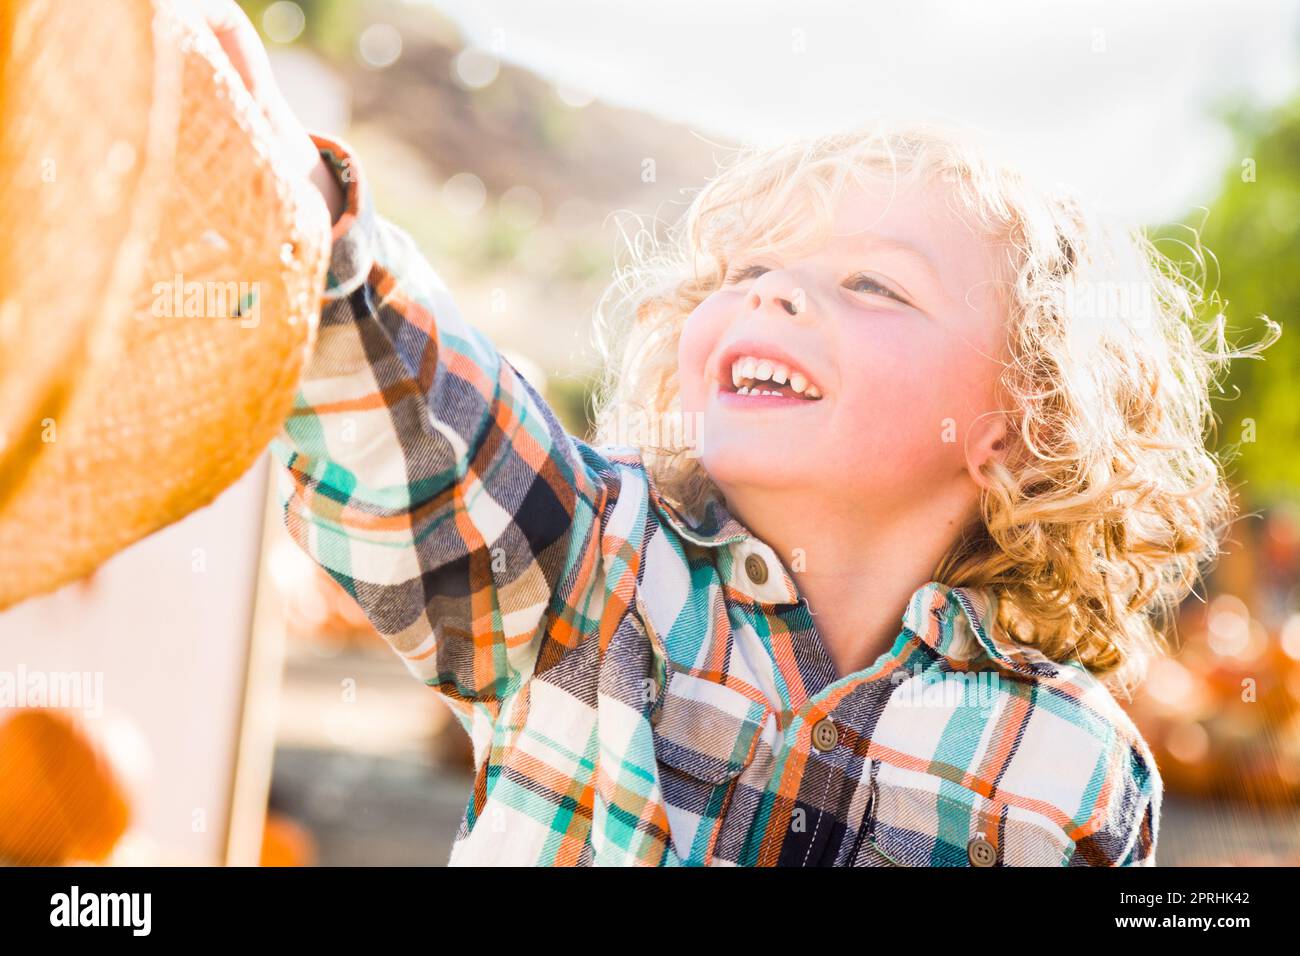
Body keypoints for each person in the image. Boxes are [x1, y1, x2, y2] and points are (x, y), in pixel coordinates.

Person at [199, 0, 1244, 865]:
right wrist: (299, 206)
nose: (774, 296)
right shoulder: (585, 569)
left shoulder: (1068, 763)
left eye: (871, 282)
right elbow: (424, 424)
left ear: (1019, 426)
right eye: (745, 272)